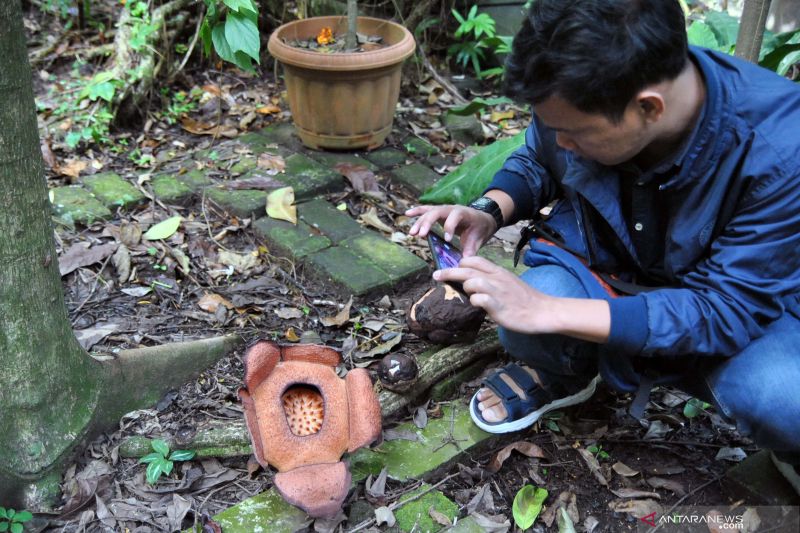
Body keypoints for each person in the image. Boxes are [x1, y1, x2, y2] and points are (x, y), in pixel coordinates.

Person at [407, 0, 800, 491]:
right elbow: (539, 157)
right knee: (525, 323)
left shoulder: (782, 147)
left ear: (648, 108)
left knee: (784, 398)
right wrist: (489, 211)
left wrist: (547, 310)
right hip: (614, 266)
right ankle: (571, 372)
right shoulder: (586, 89)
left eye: (574, 132)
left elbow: (725, 310)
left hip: (740, 308)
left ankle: (788, 453)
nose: (561, 140)